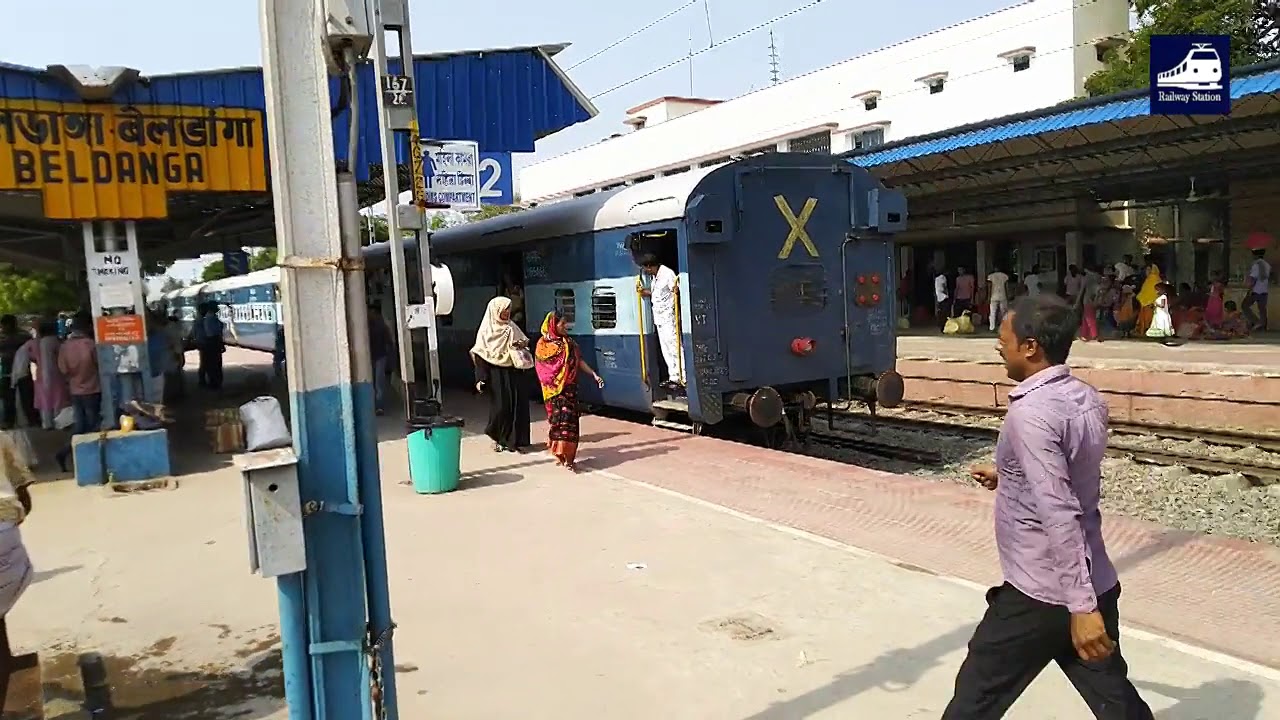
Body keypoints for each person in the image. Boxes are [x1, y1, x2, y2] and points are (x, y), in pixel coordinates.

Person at [943, 294, 1152, 719]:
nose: (999, 348)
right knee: (1115, 700)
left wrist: (1081, 609)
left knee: (974, 699)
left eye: (1003, 340)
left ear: (1031, 346)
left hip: (1043, 593)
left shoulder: (1031, 413)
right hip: (1093, 580)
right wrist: (1011, 477)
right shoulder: (1085, 397)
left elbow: (1059, 512)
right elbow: (1067, 481)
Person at [534, 311, 604, 471]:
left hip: (570, 390)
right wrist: (555, 382)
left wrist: (593, 374)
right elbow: (542, 370)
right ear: (553, 325)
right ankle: (559, 453)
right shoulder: (543, 345)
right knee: (558, 424)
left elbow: (579, 362)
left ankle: (569, 459)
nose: (565, 326)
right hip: (554, 392)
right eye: (562, 323)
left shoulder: (570, 343)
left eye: (566, 323)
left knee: (570, 425)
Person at [471, 297, 531, 453]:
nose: (507, 312)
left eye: (508, 309)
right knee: (501, 407)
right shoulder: (486, 331)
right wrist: (481, 378)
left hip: (514, 372)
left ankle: (514, 441)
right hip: (496, 373)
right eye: (504, 309)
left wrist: (521, 344)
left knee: (517, 406)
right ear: (495, 311)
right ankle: (497, 437)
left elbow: (524, 341)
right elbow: (480, 354)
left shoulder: (512, 327)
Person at [55, 319, 102, 473]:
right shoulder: (90, 344)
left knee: (81, 424)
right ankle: (82, 457)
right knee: (91, 425)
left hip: (75, 390)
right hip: (93, 388)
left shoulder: (64, 347)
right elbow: (99, 364)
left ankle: (67, 453)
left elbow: (62, 369)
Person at [638, 255, 683, 388]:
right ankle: (674, 376)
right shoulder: (654, 278)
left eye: (647, 268)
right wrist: (644, 292)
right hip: (659, 318)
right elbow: (657, 294)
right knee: (666, 348)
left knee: (674, 346)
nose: (647, 271)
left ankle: (683, 376)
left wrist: (677, 291)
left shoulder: (668, 274)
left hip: (669, 317)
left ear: (650, 266)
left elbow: (676, 289)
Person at [29, 322, 68, 430]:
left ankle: (47, 423)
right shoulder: (54, 341)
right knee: (58, 398)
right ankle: (59, 422)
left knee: (44, 399)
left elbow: (32, 357)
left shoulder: (36, 342)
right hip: (56, 372)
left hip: (41, 373)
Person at [0, 317, 29, 430]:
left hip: (19, 370)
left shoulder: (21, 336)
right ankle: (11, 421)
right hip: (14, 371)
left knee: (24, 396)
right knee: (10, 397)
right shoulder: (24, 335)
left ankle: (12, 421)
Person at [368, 306, 392, 415]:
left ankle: (378, 406)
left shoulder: (371, 327)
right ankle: (378, 406)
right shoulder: (381, 326)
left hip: (377, 357)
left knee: (376, 383)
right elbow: (389, 343)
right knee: (378, 383)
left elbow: (389, 343)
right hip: (379, 357)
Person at [195, 302, 225, 390]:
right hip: (212, 342)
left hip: (210, 343)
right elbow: (214, 332)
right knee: (214, 364)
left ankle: (212, 382)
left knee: (209, 364)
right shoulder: (210, 319)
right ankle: (214, 383)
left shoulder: (207, 318)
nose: (218, 309)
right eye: (217, 307)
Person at [9, 330, 35, 428]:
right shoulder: (24, 349)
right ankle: (31, 420)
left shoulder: (22, 350)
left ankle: (29, 421)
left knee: (25, 401)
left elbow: (18, 368)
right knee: (27, 400)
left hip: (21, 376)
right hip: (24, 376)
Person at [1241, 247, 1271, 332]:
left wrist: (1249, 288)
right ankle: (1263, 325)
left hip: (1256, 290)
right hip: (1264, 290)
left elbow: (1253, 278)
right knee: (1262, 309)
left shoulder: (1256, 265)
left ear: (1255, 255)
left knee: (1245, 305)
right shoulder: (1267, 265)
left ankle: (1256, 322)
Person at [986, 266, 1010, 332]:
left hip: (993, 296)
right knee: (1003, 313)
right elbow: (1006, 287)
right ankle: (1004, 327)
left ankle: (992, 327)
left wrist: (988, 297)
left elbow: (989, 287)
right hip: (1003, 295)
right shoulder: (1005, 276)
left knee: (992, 312)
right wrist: (1008, 296)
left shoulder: (990, 276)